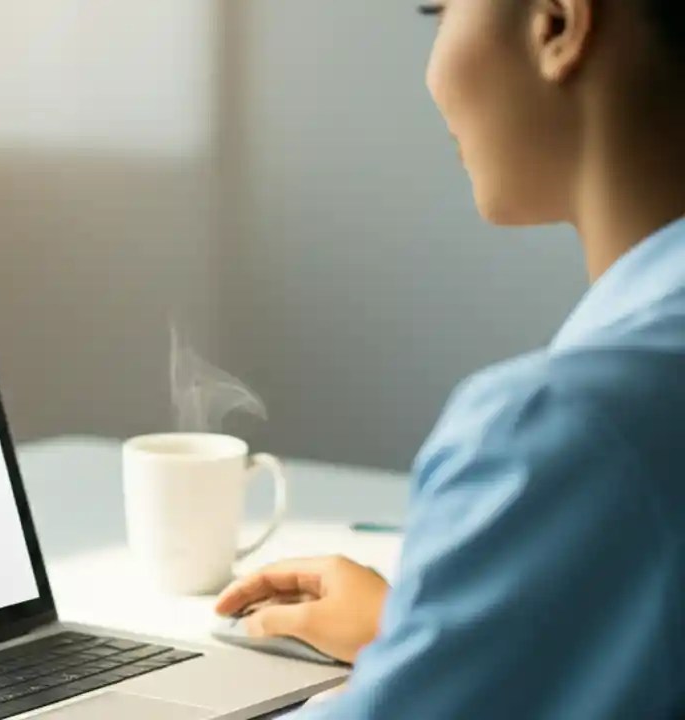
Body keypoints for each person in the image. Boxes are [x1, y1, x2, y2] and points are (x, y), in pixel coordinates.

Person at [215, 0, 685, 717]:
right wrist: (437, 630)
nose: (430, 74)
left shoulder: (565, 424)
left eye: (439, 12)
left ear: (558, 24)